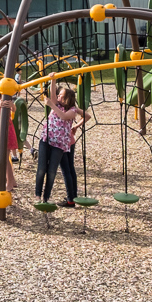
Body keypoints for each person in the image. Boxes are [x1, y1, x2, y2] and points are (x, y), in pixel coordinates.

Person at [35, 76, 89, 207]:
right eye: (58, 95)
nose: (58, 97)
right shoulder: (57, 104)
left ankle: (66, 198)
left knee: (61, 170)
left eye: (61, 95)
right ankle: (41, 195)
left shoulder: (72, 110)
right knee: (49, 168)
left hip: (61, 144)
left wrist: (75, 126)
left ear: (67, 99)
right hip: (49, 139)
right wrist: (53, 80)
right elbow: (53, 95)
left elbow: (64, 116)